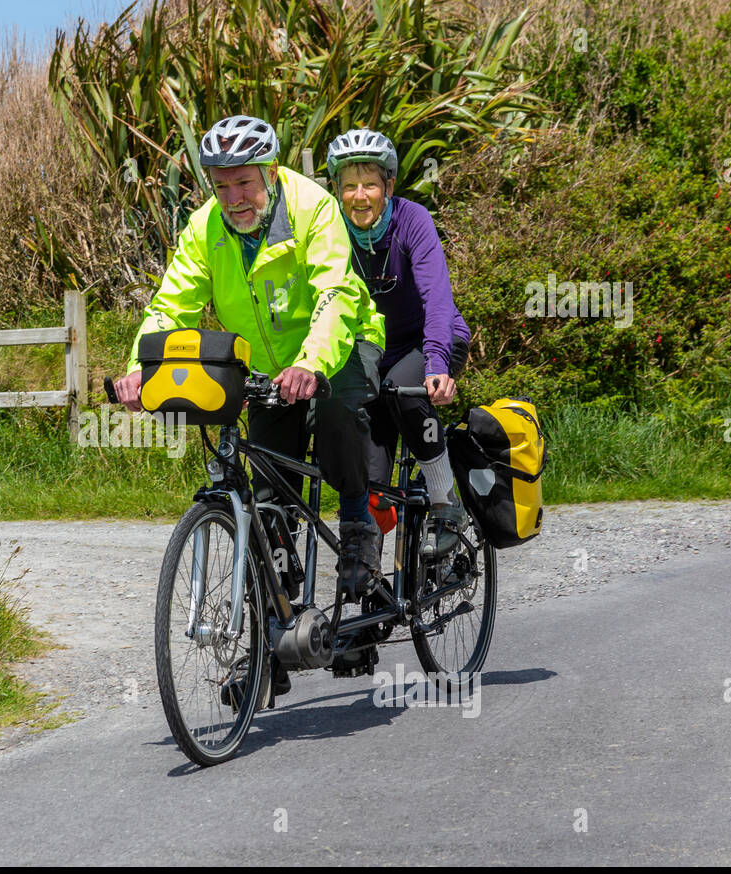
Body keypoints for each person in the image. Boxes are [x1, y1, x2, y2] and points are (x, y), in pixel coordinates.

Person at [112, 113, 387, 609]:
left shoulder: (313, 208)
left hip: (343, 343)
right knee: (267, 495)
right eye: (221, 186)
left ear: (272, 173)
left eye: (243, 182)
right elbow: (171, 307)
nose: (233, 197)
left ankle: (356, 525)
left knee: (337, 410)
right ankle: (274, 625)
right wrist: (140, 366)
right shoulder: (205, 229)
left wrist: (311, 364)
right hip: (267, 369)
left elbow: (337, 294)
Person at [325, 128, 472, 557]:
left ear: (388, 185)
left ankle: (446, 504)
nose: (359, 195)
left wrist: (437, 364)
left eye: (370, 183)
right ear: (337, 189)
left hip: (434, 339)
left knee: (404, 393)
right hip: (372, 351)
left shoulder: (413, 219)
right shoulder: (331, 229)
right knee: (365, 464)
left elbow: (437, 299)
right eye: (349, 185)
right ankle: (371, 583)